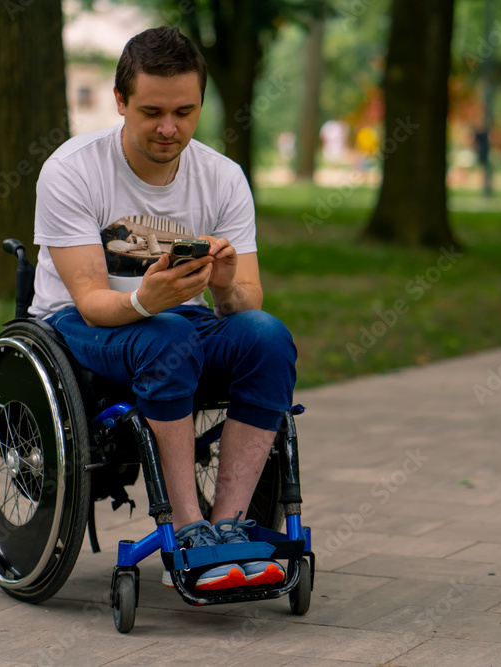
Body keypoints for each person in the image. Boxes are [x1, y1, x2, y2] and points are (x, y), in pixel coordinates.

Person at [29, 26, 297, 591]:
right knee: (168, 336)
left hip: (179, 319)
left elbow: (244, 302)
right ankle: (189, 527)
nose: (169, 128)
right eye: (151, 111)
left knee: (267, 336)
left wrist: (224, 285)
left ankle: (229, 527)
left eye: (185, 111)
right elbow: (91, 302)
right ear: (120, 101)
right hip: (79, 324)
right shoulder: (73, 170)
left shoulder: (222, 176)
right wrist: (143, 299)